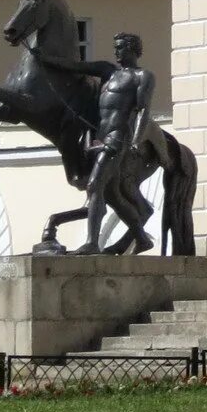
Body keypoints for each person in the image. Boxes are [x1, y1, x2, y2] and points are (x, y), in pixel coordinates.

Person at [79, 32, 162, 254]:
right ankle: (142, 238)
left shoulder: (143, 76)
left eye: (120, 47)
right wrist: (45, 58)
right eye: (115, 47)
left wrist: (135, 141)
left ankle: (92, 243)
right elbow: (75, 66)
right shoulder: (108, 71)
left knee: (95, 186)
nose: (116, 51)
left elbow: (143, 111)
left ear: (133, 49)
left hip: (117, 139)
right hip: (100, 138)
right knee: (113, 194)